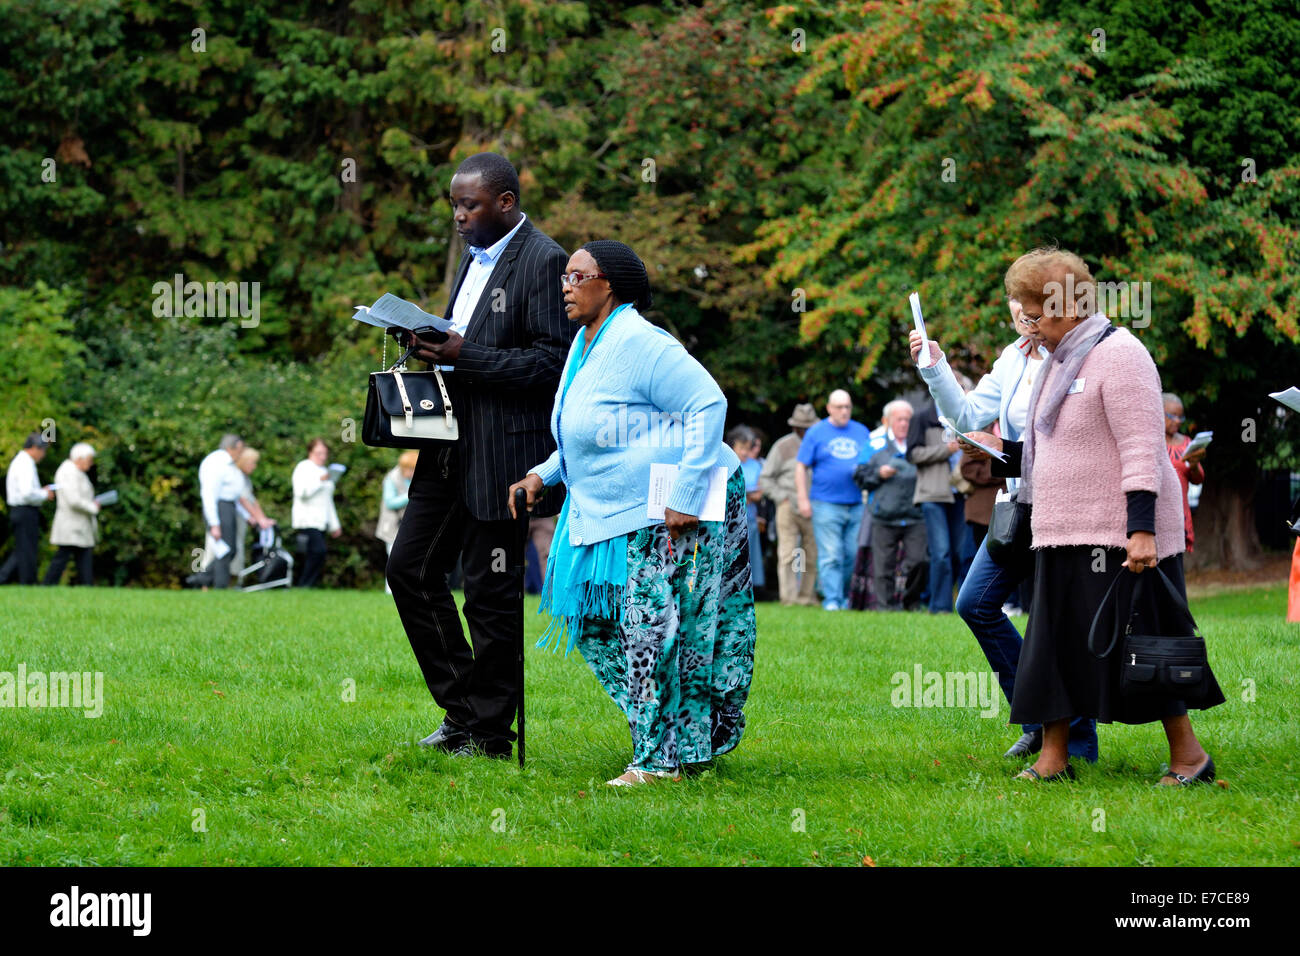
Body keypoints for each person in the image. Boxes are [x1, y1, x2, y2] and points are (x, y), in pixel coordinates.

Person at [965, 247, 1223, 784]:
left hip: (1120, 533)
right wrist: (998, 450)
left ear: (1065, 306)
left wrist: (1142, 529)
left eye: (1033, 313)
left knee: (1143, 645)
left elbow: (1141, 448)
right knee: (1054, 646)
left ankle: (1190, 758)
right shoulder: (1058, 359)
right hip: (1059, 532)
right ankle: (1054, 759)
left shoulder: (1121, 353)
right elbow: (1055, 448)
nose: (1026, 325)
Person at [509, 239, 757, 786]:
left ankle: (659, 760)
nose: (566, 286)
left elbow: (707, 403)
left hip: (675, 505)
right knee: (596, 623)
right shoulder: (585, 343)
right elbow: (588, 430)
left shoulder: (644, 343)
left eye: (578, 276)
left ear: (610, 284)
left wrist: (685, 495)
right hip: (617, 507)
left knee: (657, 629)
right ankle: (674, 738)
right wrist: (542, 475)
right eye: (565, 277)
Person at [387, 152, 571, 760]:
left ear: (506, 203)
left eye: (470, 205)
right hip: (446, 448)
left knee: (490, 596)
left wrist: (464, 356)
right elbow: (464, 345)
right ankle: (462, 711)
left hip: (504, 457)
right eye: (454, 205)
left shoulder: (545, 262)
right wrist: (426, 343)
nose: (460, 216)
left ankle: (491, 735)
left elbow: (551, 365)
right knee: (409, 570)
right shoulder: (473, 261)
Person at [912, 299, 1098, 761]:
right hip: (1018, 508)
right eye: (1016, 311)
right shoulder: (1012, 356)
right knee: (974, 603)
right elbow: (967, 416)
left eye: (1030, 312)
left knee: (1057, 623)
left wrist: (1008, 449)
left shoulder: (1079, 353)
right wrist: (936, 368)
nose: (1024, 322)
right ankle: (1037, 718)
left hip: (1068, 509)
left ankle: (1076, 741)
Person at [795, 390, 872, 610]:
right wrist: (803, 498)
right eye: (839, 407)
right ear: (829, 408)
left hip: (857, 502)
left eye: (847, 406)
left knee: (852, 553)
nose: (844, 411)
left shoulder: (861, 431)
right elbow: (801, 466)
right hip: (825, 503)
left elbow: (870, 463)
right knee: (831, 554)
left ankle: (846, 598)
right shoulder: (816, 432)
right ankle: (831, 600)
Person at [855, 400, 926, 610]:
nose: (904, 423)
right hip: (884, 515)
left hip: (915, 515)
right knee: (883, 567)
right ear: (888, 422)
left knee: (919, 562)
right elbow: (859, 476)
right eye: (899, 419)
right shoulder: (875, 445)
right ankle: (885, 608)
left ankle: (911, 604)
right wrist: (879, 473)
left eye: (907, 419)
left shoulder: (919, 444)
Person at [907, 399, 967, 612]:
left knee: (959, 553)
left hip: (959, 494)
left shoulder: (963, 415)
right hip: (932, 495)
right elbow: (913, 455)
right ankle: (940, 607)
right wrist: (945, 450)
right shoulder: (922, 417)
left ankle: (950, 602)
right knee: (940, 553)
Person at [759, 403, 819, 606]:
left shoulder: (820, 443)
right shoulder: (782, 446)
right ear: (795, 427)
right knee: (788, 553)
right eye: (803, 427)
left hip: (816, 507)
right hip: (787, 505)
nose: (807, 431)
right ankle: (789, 598)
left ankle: (807, 596)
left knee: (812, 553)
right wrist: (781, 497)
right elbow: (765, 478)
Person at [0, 434, 54, 585]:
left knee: (23, 548)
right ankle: (27, 582)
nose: (43, 455)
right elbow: (26, 493)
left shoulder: (22, 461)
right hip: (24, 510)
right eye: (43, 451)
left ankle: (21, 580)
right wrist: (44, 494)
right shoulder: (25, 463)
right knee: (26, 549)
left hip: (22, 510)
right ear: (35, 448)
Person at [43, 443, 100, 586]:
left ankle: (87, 587)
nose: (91, 463)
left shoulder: (77, 472)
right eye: (89, 460)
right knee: (63, 556)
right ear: (79, 458)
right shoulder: (68, 471)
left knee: (82, 555)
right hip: (71, 523)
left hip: (79, 524)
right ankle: (47, 586)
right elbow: (73, 500)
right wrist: (92, 507)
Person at [291, 438, 341, 588]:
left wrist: (335, 525)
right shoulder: (303, 468)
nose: (323, 457)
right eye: (319, 453)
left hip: (321, 521)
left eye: (325, 453)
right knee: (316, 551)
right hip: (307, 520)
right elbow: (301, 493)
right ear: (310, 452)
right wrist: (320, 481)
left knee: (317, 553)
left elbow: (328, 501)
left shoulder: (325, 471)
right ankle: (303, 584)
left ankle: (307, 585)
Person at [198, 434, 245, 588]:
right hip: (220, 508)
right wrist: (214, 523)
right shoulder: (217, 463)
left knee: (229, 550)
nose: (242, 453)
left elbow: (234, 494)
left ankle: (201, 579)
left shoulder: (229, 464)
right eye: (240, 449)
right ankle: (218, 585)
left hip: (228, 507)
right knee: (225, 550)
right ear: (231, 448)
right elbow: (209, 495)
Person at [1163, 393, 1206, 552]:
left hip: (1180, 512)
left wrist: (1194, 465)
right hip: (1156, 512)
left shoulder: (1187, 443)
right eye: (1172, 416)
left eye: (1180, 417)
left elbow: (1198, 479)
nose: (1177, 421)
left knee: (1175, 566)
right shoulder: (1152, 441)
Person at [729, 426, 766, 593]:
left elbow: (759, 492)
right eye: (741, 448)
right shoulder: (727, 463)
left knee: (752, 554)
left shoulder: (755, 465)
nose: (744, 452)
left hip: (749, 516)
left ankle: (753, 588)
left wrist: (747, 495)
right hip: (730, 518)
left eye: (747, 448)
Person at [375, 450, 417, 594]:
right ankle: (390, 591)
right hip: (392, 526)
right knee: (394, 559)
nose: (411, 472)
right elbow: (390, 502)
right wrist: (410, 494)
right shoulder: (391, 478)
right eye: (408, 469)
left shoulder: (417, 478)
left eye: (413, 469)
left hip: (411, 525)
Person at [232, 447, 275, 575]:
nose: (254, 466)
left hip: (242, 518)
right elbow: (243, 499)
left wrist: (263, 518)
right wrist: (259, 519)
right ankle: (231, 578)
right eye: (252, 463)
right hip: (235, 517)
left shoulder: (246, 479)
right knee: (235, 547)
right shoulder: (237, 476)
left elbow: (253, 501)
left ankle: (235, 577)